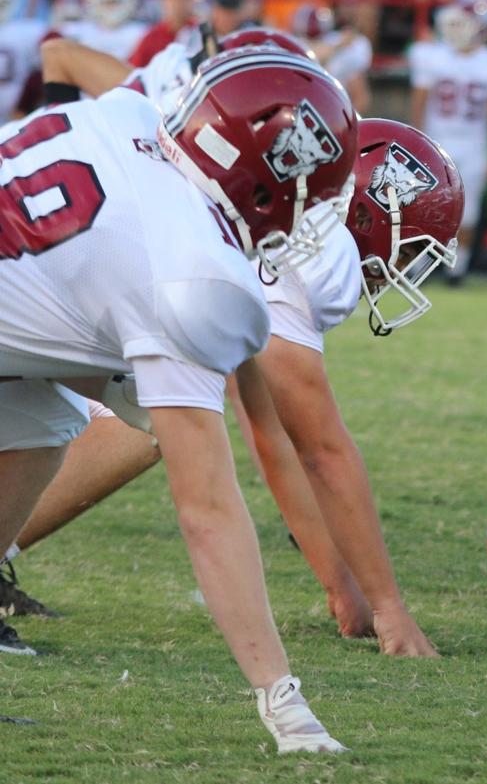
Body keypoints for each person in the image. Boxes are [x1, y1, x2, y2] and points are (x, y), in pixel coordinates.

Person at [20, 31, 446, 657]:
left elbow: (269, 433)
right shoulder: (313, 248)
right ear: (365, 215)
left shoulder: (271, 206)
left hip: (65, 232)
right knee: (140, 418)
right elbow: (320, 449)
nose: (400, 270)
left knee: (147, 414)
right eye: (409, 250)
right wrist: (390, 609)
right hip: (54, 260)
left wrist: (342, 587)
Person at [0, 46, 355, 750]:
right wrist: (284, 701)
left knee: (47, 421)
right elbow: (207, 513)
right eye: (310, 190)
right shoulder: (198, 280)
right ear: (262, 178)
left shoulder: (129, 113)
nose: (309, 209)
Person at [410, 2, 487, 285]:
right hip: (435, 140)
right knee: (423, 205)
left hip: (473, 142)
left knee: (468, 211)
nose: (457, 31)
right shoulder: (431, 56)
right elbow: (419, 102)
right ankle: (419, 265)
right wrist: (414, 141)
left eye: (463, 24)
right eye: (453, 24)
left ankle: (457, 269)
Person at [128, 0, 196, 67]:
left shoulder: (200, 31)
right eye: (173, 0)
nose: (178, 5)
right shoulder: (152, 37)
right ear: (164, 2)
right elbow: (135, 70)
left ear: (190, 1)